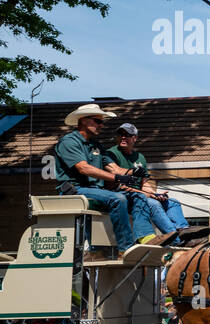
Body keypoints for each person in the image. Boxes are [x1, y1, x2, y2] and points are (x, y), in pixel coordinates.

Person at [53, 103, 152, 248]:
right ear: (83, 121)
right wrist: (117, 178)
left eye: (102, 122)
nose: (101, 125)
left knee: (139, 197)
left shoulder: (96, 145)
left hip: (95, 190)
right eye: (97, 121)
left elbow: (115, 169)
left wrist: (133, 172)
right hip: (75, 190)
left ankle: (146, 238)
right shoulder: (69, 142)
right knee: (118, 198)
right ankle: (126, 248)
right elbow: (84, 169)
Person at [106, 122, 200, 244]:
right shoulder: (112, 154)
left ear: (135, 138)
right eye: (120, 134)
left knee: (172, 202)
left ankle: (184, 231)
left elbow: (144, 183)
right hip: (123, 197)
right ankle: (175, 240)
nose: (123, 137)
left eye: (127, 135)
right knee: (153, 204)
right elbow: (120, 185)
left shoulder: (140, 157)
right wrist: (149, 195)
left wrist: (156, 194)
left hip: (141, 194)